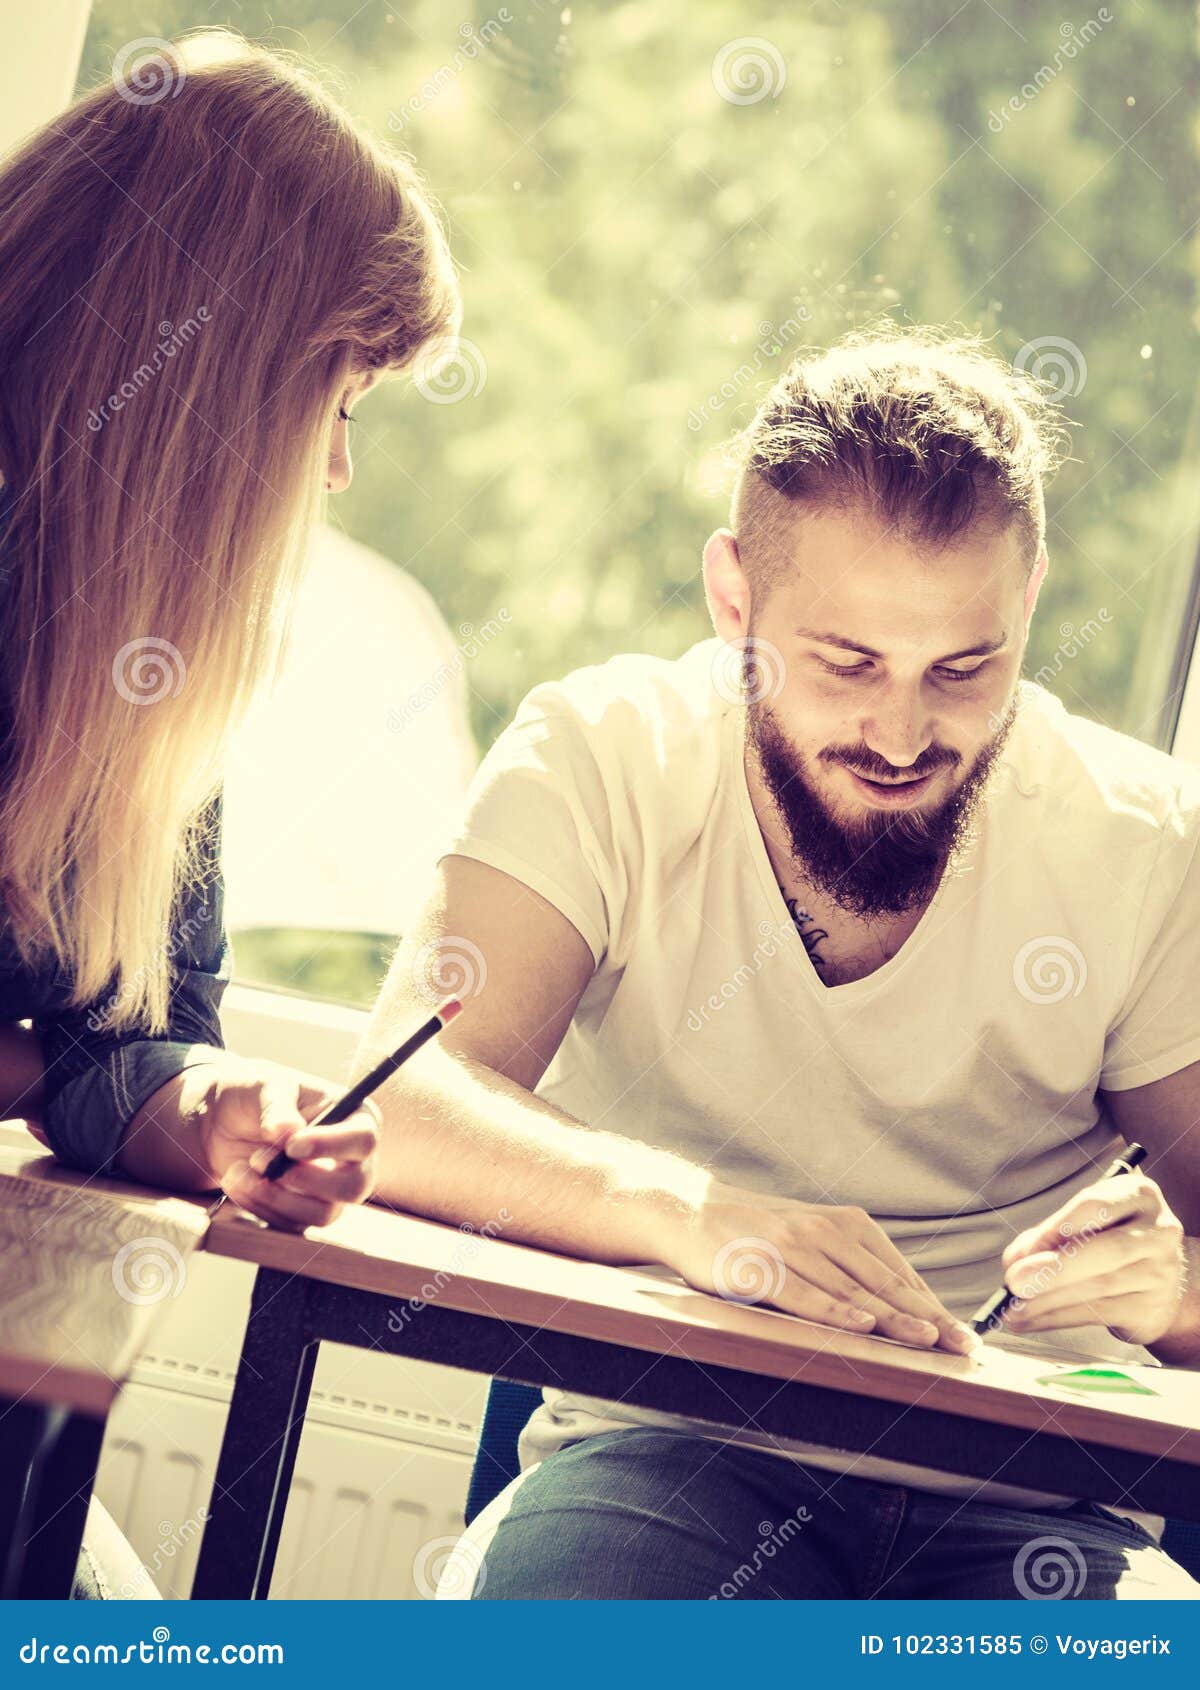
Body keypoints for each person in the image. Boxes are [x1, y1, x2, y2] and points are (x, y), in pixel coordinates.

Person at [358, 325, 1200, 1599]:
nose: (905, 732)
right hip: (665, 1455)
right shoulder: (604, 754)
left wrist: (1173, 1292)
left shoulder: (1144, 838)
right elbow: (403, 1105)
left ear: (1028, 602)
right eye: (847, 663)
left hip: (1040, 1510)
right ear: (735, 600)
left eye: (966, 667)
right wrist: (695, 1216)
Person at [0, 28, 460, 1594]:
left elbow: (141, 1025)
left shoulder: (144, 684)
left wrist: (206, 1109)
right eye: (337, 399)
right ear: (208, 378)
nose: (335, 469)